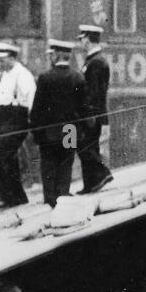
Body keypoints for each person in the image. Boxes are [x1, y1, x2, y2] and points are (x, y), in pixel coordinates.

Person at [29, 40, 88, 207]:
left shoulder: (45, 78)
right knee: (66, 162)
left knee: (48, 163)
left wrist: (35, 129)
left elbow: (38, 107)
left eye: (52, 55)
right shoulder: (78, 77)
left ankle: (50, 199)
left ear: (56, 55)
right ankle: (63, 195)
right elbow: (83, 107)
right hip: (70, 130)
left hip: (50, 131)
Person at [0, 42, 35, 207]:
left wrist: (28, 122)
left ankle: (9, 197)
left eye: (2, 59)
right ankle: (16, 197)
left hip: (16, 119)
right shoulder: (6, 74)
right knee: (9, 159)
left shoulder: (22, 74)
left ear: (11, 58)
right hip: (5, 120)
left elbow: (29, 99)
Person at [76, 24, 113, 194]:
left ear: (88, 39)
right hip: (92, 113)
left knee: (85, 147)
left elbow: (94, 92)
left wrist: (89, 114)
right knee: (89, 146)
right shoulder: (93, 60)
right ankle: (91, 183)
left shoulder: (96, 62)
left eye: (82, 38)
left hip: (92, 114)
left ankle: (103, 173)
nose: (81, 42)